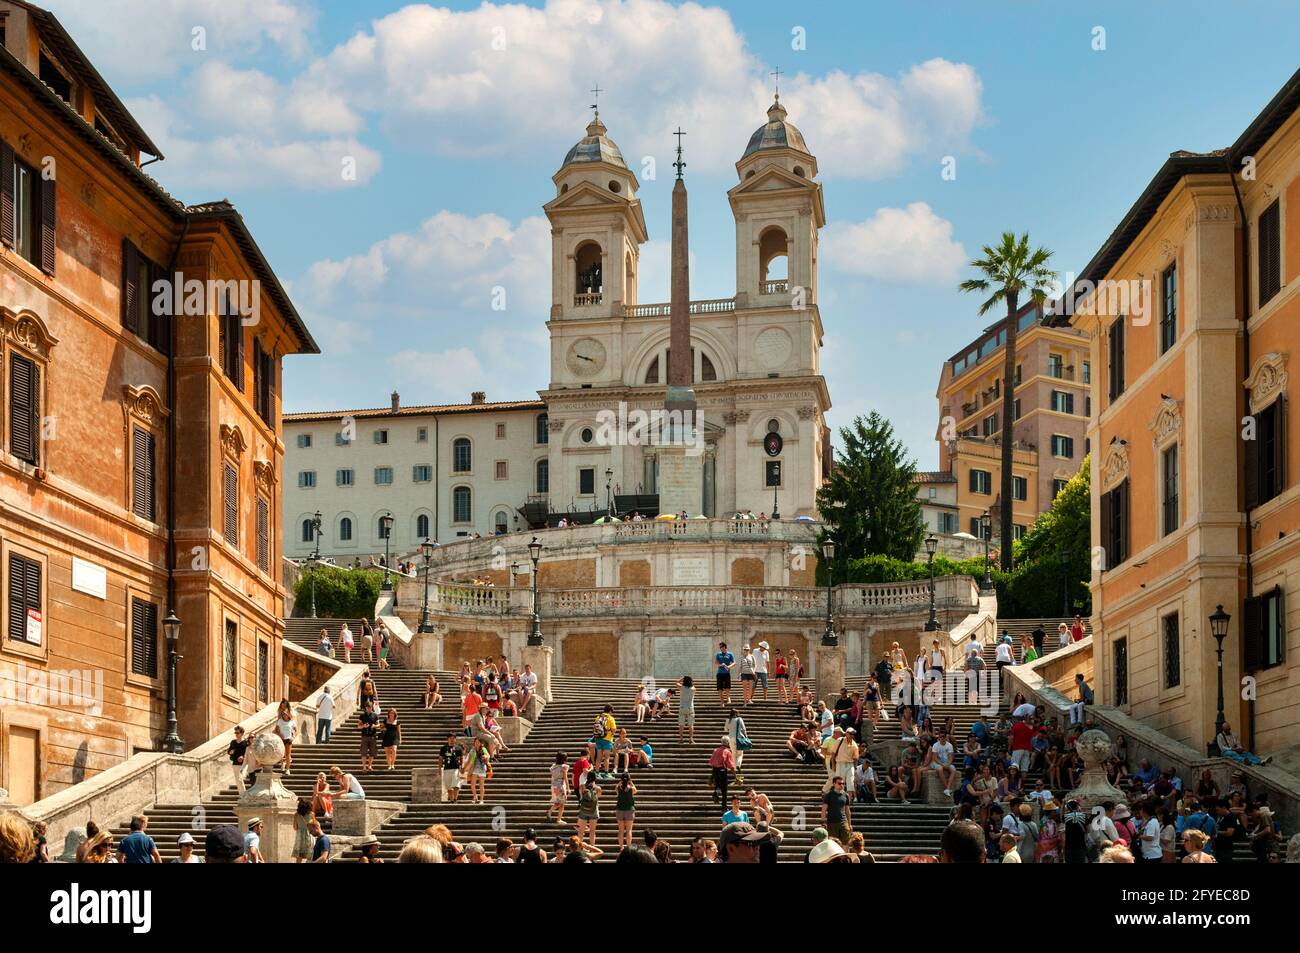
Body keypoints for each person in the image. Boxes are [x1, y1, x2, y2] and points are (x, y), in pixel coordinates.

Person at [822, 775, 852, 845]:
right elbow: (824, 810)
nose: (841, 785)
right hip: (832, 823)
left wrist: (849, 824)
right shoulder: (828, 795)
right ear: (834, 784)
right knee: (833, 844)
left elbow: (847, 810)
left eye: (843, 783)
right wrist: (823, 822)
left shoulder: (846, 795)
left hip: (843, 822)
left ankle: (845, 856)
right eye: (839, 783)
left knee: (846, 843)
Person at [928, 728, 959, 796]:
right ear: (939, 737)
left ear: (945, 737)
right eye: (940, 737)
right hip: (937, 762)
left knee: (953, 770)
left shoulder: (949, 745)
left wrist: (948, 764)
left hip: (947, 762)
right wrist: (942, 764)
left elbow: (951, 758)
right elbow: (934, 758)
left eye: (943, 736)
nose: (942, 738)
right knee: (940, 769)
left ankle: (947, 788)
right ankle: (946, 788)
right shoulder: (935, 745)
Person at [576, 773, 602, 848]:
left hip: (583, 809)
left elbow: (580, 797)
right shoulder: (598, 788)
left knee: (581, 831)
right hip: (593, 810)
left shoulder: (582, 786)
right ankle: (592, 848)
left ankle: (579, 847)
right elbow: (599, 796)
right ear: (595, 778)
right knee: (592, 831)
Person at [710, 734, 736, 805]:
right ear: (728, 743)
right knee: (724, 789)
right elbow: (731, 765)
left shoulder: (715, 750)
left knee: (717, 785)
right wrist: (735, 775)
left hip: (715, 770)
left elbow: (711, 762)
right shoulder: (727, 752)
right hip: (722, 770)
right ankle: (724, 806)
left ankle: (716, 792)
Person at [466, 737, 491, 805]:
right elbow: (468, 759)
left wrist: (485, 757)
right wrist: (465, 767)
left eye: (478, 742)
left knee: (481, 785)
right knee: (472, 785)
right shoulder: (472, 750)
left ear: (480, 743)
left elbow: (488, 756)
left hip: (482, 768)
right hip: (474, 769)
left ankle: (481, 800)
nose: (477, 743)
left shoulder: (483, 749)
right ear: (474, 743)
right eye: (476, 742)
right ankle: (475, 796)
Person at [440, 734, 464, 803]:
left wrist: (461, 766)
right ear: (448, 739)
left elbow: (462, 757)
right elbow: (441, 758)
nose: (452, 740)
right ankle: (451, 800)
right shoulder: (444, 748)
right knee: (449, 787)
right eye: (450, 738)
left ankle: (455, 799)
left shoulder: (458, 748)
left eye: (453, 738)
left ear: (455, 739)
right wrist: (439, 767)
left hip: (456, 768)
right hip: (447, 769)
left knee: (456, 785)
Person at [357, 700, 380, 772]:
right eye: (368, 707)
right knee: (363, 752)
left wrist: (374, 726)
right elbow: (358, 726)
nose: (369, 709)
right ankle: (364, 767)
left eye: (370, 707)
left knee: (372, 752)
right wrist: (363, 726)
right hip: (364, 736)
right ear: (365, 708)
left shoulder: (375, 715)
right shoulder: (362, 716)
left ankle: (369, 765)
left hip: (373, 736)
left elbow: (379, 725)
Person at [275, 700, 297, 775]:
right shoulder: (280, 720)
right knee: (281, 754)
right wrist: (279, 735)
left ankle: (287, 769)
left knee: (287, 754)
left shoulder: (292, 722)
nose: (284, 715)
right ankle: (282, 763)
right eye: (283, 714)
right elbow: (276, 729)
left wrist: (293, 737)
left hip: (288, 739)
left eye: (286, 714)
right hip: (281, 739)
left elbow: (295, 730)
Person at [227, 725, 250, 793]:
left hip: (244, 763)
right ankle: (242, 795)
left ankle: (245, 794)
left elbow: (248, 752)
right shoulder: (233, 742)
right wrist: (230, 752)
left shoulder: (246, 742)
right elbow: (229, 751)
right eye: (235, 733)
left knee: (241, 778)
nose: (236, 734)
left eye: (238, 733)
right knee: (238, 780)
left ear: (242, 733)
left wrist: (243, 757)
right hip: (235, 764)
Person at [549, 751, 570, 823]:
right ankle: (555, 816)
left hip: (554, 785)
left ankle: (558, 816)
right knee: (562, 802)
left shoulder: (553, 766)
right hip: (561, 785)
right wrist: (568, 788)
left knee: (558, 802)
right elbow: (565, 778)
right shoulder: (564, 767)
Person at [676, 675, 696, 743]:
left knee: (681, 724)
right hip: (690, 707)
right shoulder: (693, 688)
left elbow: (676, 682)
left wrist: (682, 678)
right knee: (691, 725)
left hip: (682, 707)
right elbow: (692, 685)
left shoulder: (682, 687)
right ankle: (691, 738)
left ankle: (681, 738)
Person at [715, 641, 736, 706]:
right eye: (720, 647)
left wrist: (729, 666)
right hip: (720, 673)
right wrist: (721, 665)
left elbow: (734, 662)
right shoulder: (718, 654)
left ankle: (728, 698)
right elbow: (716, 663)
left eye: (721, 647)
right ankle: (722, 701)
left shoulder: (730, 654)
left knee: (727, 687)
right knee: (720, 688)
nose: (720, 648)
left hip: (727, 673)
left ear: (725, 647)